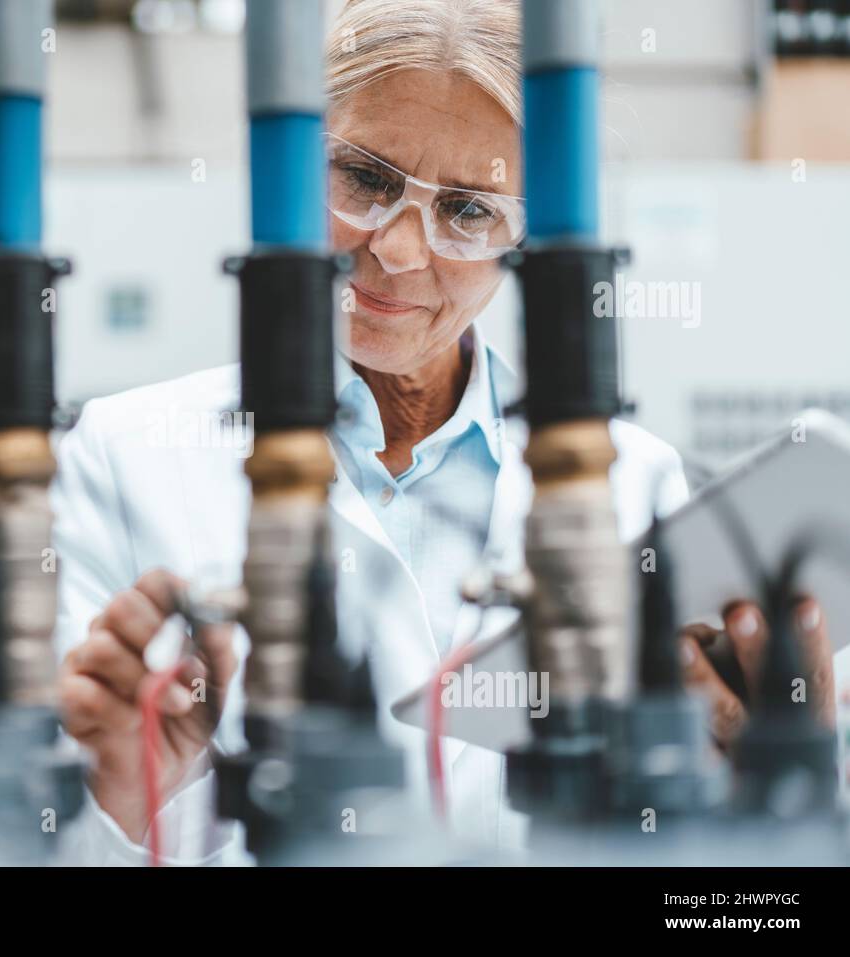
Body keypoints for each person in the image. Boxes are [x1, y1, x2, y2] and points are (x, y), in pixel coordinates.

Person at [48, 0, 837, 865]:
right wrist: (125, 805)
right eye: (365, 178)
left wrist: (755, 773)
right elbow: (31, 835)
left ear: (526, 240)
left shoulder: (636, 487)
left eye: (468, 210)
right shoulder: (126, 457)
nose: (397, 248)